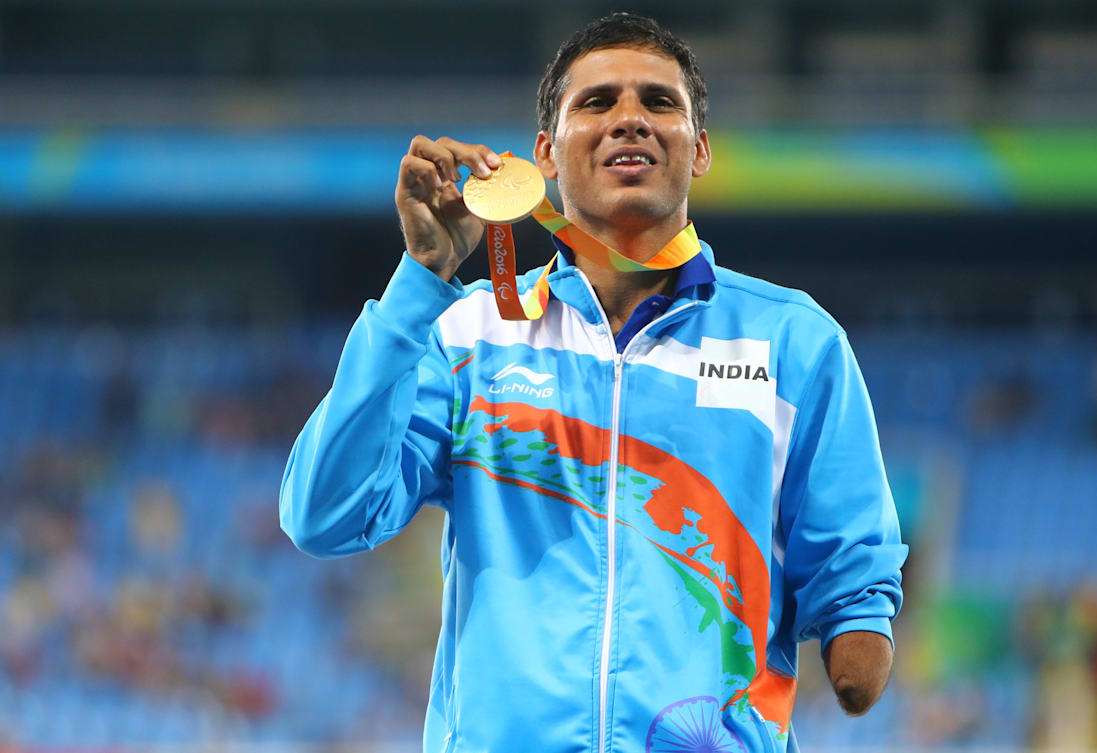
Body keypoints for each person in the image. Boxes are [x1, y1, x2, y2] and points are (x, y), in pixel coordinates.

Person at [280, 12, 906, 753]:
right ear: (545, 153)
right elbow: (326, 514)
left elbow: (850, 565)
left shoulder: (794, 341)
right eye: (598, 102)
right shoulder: (470, 335)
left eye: (659, 102)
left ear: (700, 149)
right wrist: (421, 281)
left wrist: (857, 623)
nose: (630, 119)